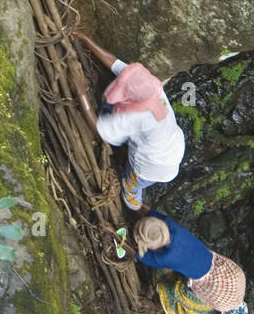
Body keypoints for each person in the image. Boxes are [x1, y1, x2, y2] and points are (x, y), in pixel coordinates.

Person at [72, 36, 185, 212]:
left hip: (151, 166)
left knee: (131, 186)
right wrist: (86, 39)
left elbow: (98, 130)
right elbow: (116, 64)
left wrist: (81, 94)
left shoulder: (137, 116)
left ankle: (135, 207)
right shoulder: (151, 88)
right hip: (172, 146)